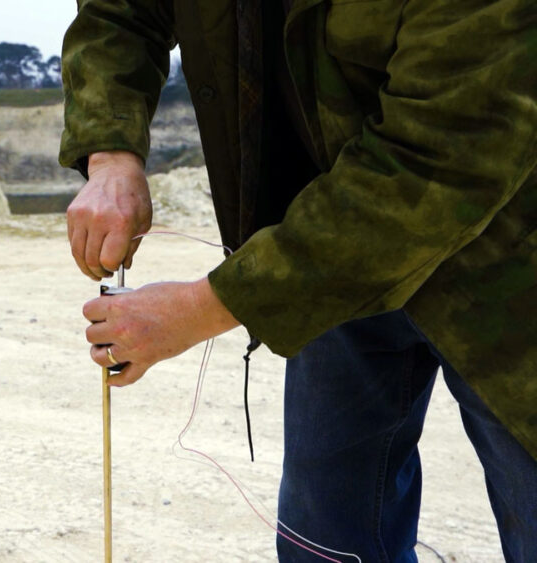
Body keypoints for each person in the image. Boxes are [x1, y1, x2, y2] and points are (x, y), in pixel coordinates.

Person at [60, 1, 536, 561]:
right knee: (326, 546)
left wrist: (202, 308)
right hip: (321, 261)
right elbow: (121, 12)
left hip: (510, 268)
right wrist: (111, 155)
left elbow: (440, 163)